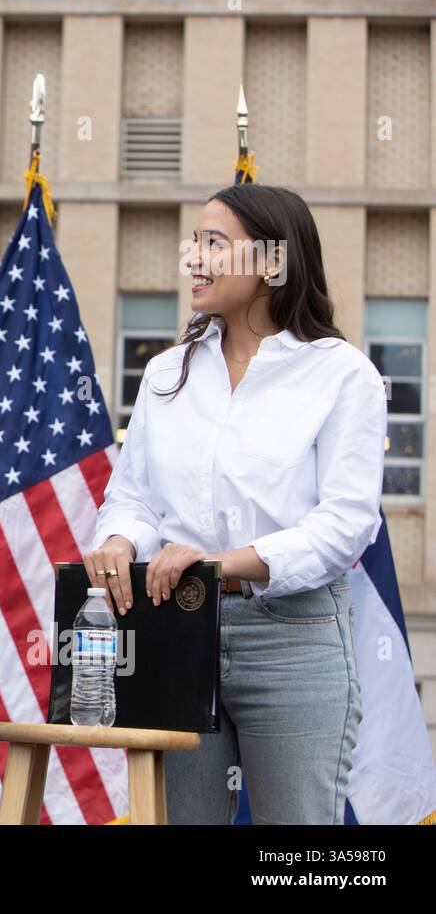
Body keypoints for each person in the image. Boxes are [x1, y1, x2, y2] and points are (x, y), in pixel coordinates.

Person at [83, 184, 385, 824]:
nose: (193, 257)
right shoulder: (167, 373)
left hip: (294, 639)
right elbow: (133, 498)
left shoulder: (341, 374)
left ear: (273, 263)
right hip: (177, 631)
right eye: (193, 242)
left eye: (214, 244)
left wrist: (221, 563)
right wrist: (118, 542)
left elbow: (346, 525)